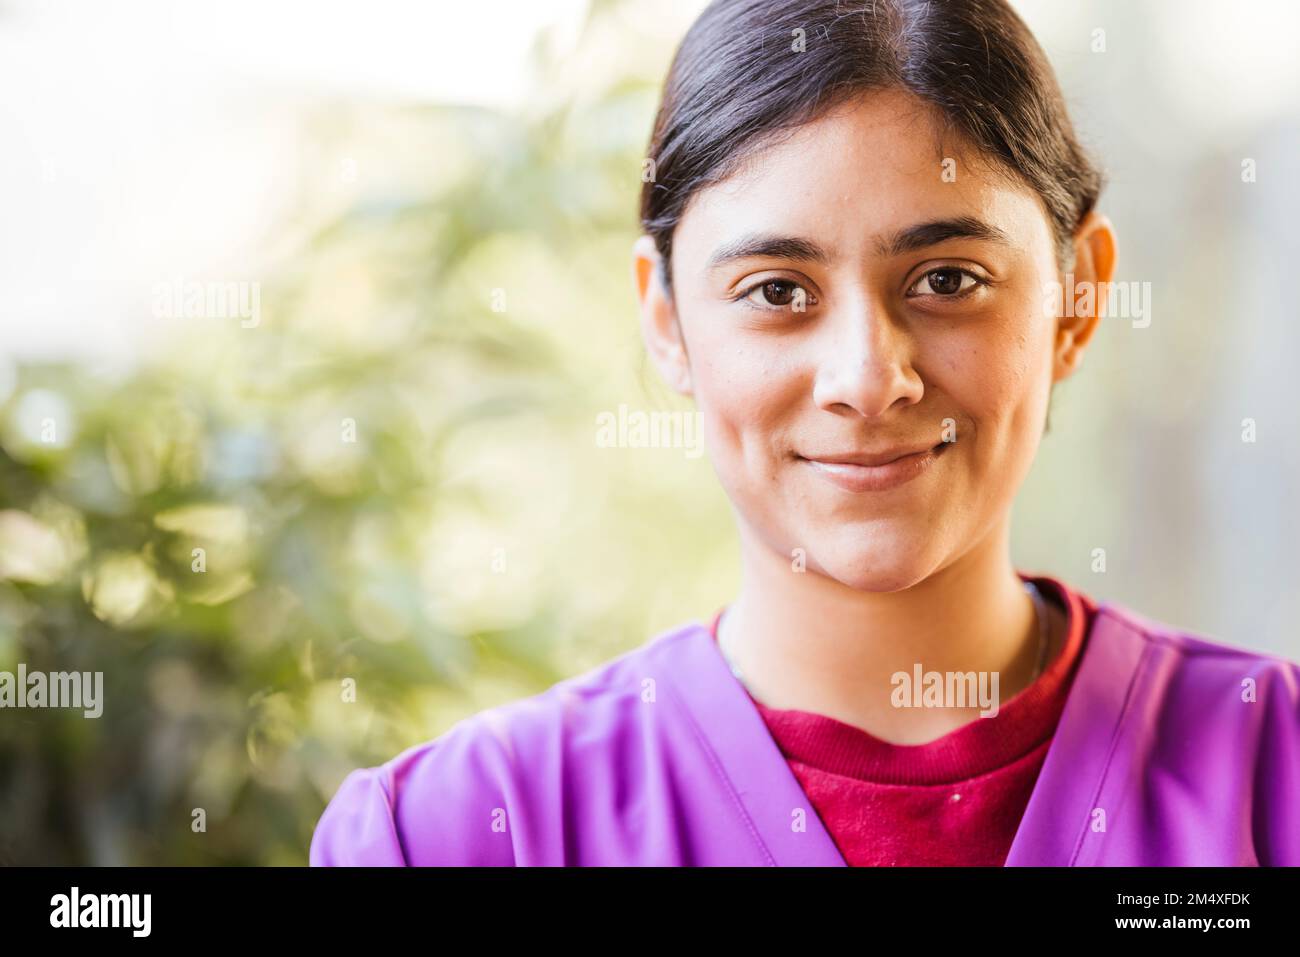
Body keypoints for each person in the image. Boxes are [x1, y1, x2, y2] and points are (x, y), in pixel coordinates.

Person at [310, 0, 1300, 866]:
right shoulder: (458, 833)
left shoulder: (1275, 770)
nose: (867, 379)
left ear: (1076, 299)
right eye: (777, 291)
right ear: (667, 320)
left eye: (947, 279)